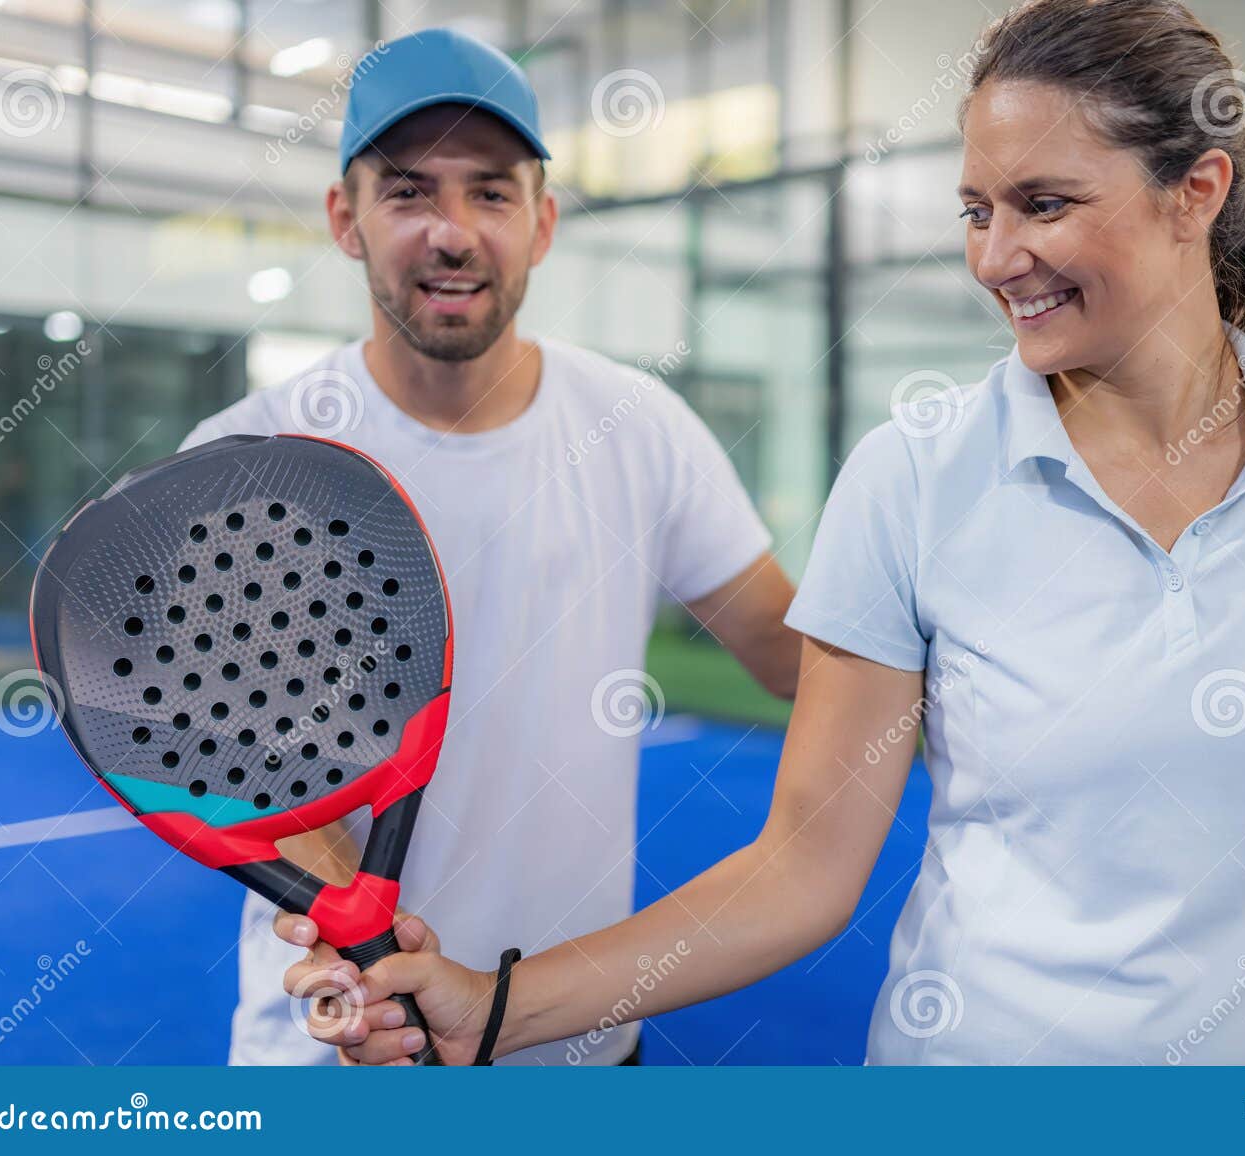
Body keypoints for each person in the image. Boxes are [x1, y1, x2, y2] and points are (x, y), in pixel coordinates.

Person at [278, 0, 1245, 1066]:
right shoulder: (910, 477)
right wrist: (497, 1008)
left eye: (1043, 204)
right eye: (975, 209)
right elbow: (798, 869)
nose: (994, 256)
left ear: (1198, 192)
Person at [180, 27, 801, 1067]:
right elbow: (250, 761)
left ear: (543, 222)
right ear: (347, 218)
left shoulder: (639, 426)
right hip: (334, 1055)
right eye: (411, 191)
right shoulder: (246, 460)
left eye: (492, 193)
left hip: (573, 1050)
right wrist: (364, 950)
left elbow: (796, 658)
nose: (452, 232)